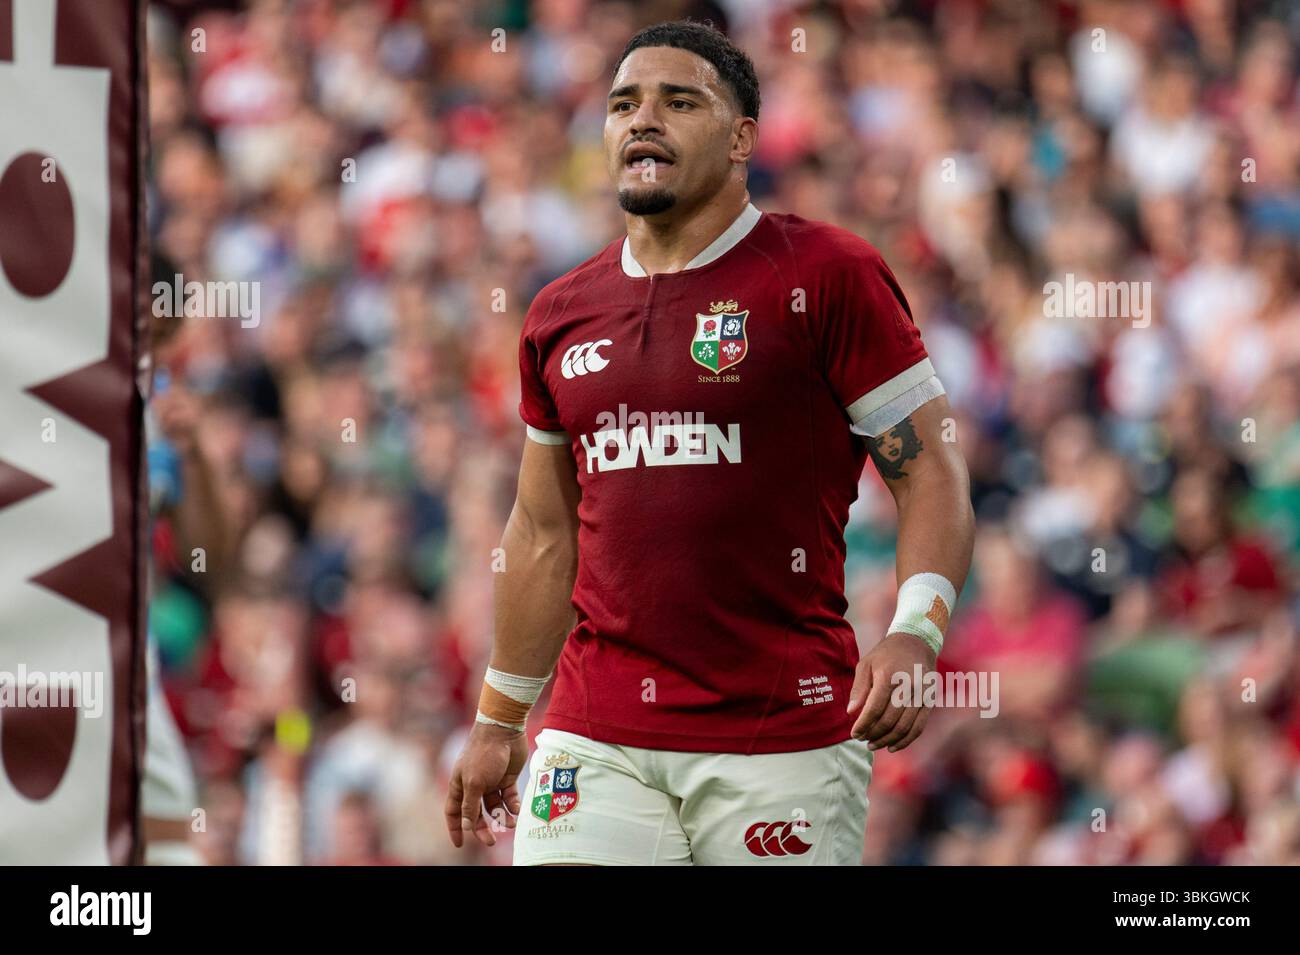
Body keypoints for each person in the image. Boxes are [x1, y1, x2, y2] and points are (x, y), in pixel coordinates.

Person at [445, 20, 974, 865]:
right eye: (624, 104)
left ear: (740, 139)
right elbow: (543, 534)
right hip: (597, 732)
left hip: (781, 729)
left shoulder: (827, 274)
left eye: (677, 101)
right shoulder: (557, 313)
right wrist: (500, 719)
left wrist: (917, 630)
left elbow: (931, 470)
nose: (642, 119)